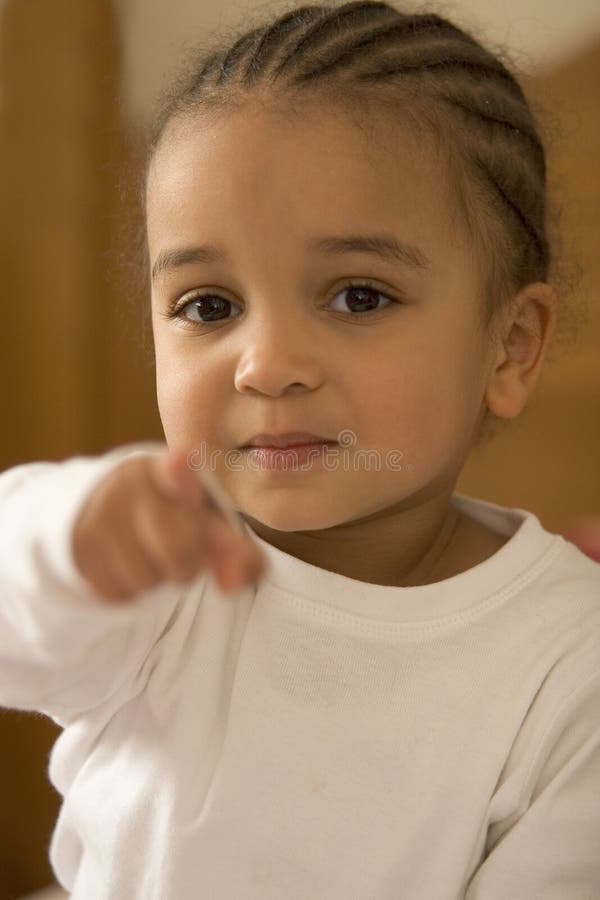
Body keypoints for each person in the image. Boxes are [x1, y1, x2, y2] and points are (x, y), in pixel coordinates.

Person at [1, 2, 599, 897]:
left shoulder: (571, 661)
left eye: (359, 296)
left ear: (508, 347)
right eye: (209, 306)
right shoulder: (157, 575)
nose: (267, 367)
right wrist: (75, 539)